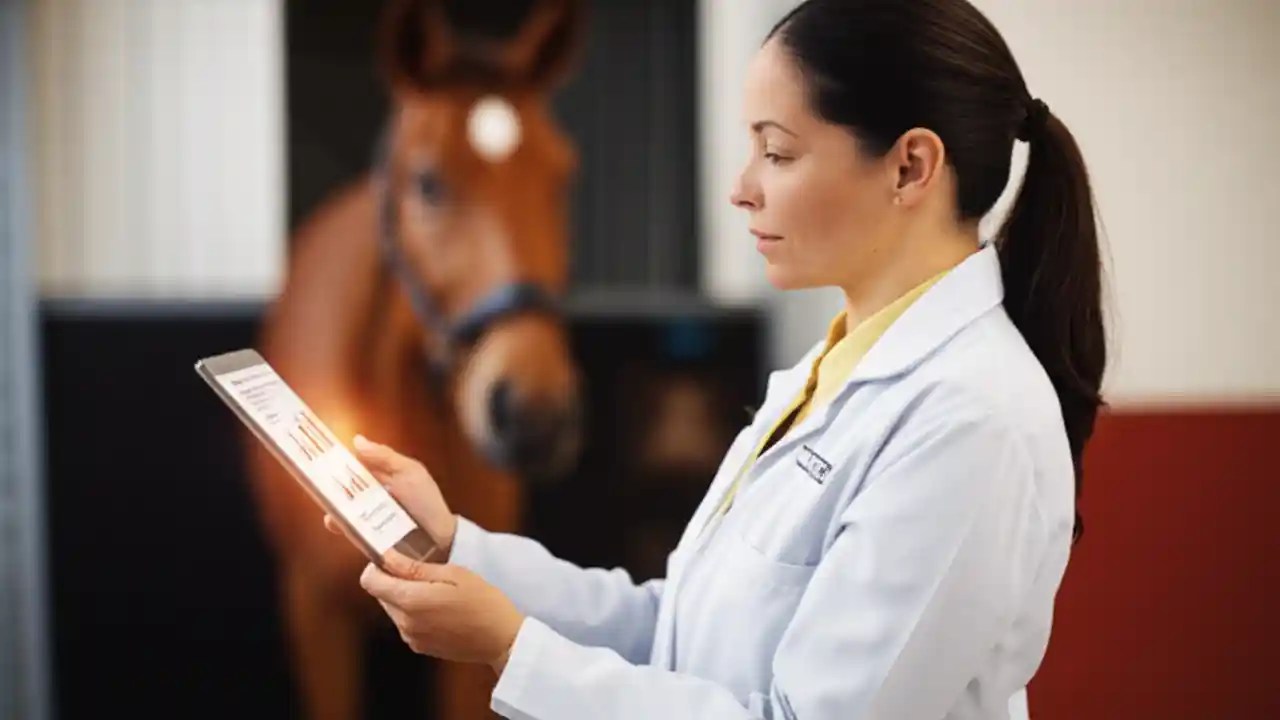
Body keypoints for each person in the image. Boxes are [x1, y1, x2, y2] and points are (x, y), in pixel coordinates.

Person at [331, 0, 1107, 717]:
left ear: (909, 167)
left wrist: (509, 648)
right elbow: (676, 629)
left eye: (776, 151)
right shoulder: (833, 370)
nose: (741, 189)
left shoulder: (970, 421)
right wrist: (456, 548)